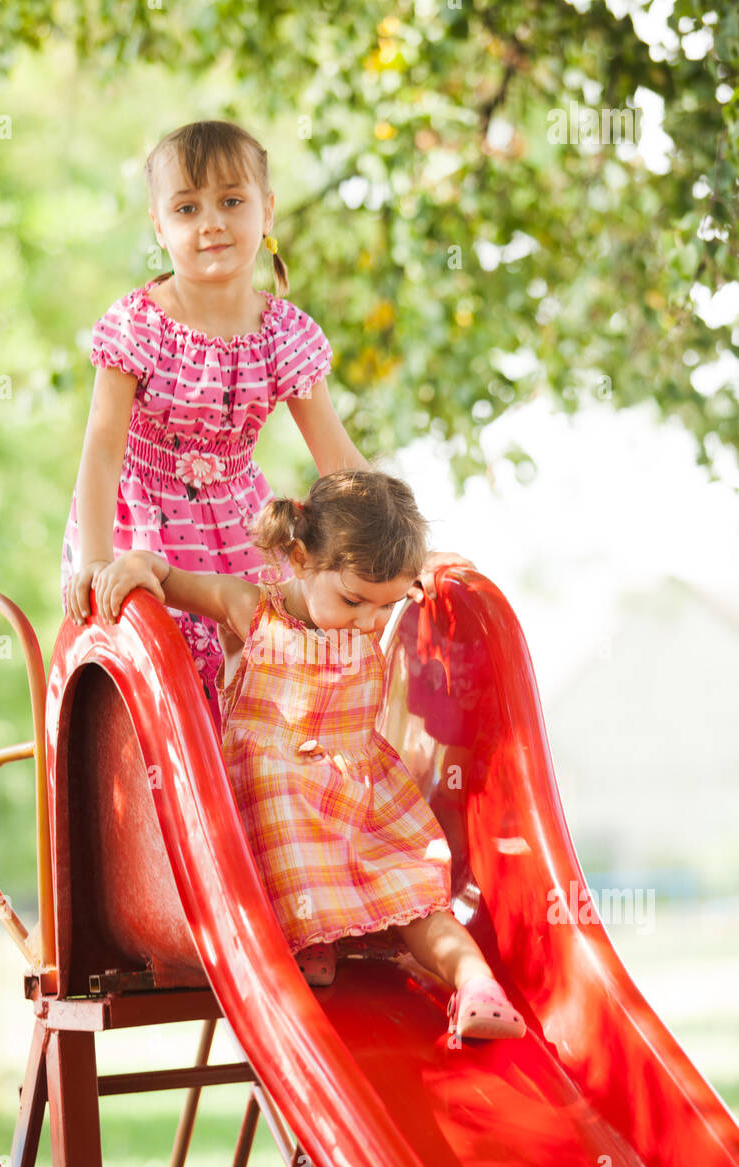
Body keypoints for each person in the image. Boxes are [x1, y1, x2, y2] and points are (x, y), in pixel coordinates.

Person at [61, 118, 467, 735]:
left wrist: (410, 548)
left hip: (238, 521)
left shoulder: (283, 333)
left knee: (267, 656)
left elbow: (339, 461)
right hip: (145, 518)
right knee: (171, 669)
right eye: (187, 207)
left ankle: (260, 792)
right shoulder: (138, 326)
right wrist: (94, 557)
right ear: (158, 224)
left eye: (231, 201)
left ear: (267, 209)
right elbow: (102, 447)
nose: (211, 222)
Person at [97, 469, 525, 1046]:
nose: (371, 622)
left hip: (360, 800)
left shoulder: (362, 607)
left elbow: (404, 601)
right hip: (281, 800)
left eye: (386, 607)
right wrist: (140, 565)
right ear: (300, 558)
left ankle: (476, 985)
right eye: (355, 601)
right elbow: (177, 582)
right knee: (285, 828)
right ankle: (312, 943)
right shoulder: (253, 609)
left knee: (415, 895)